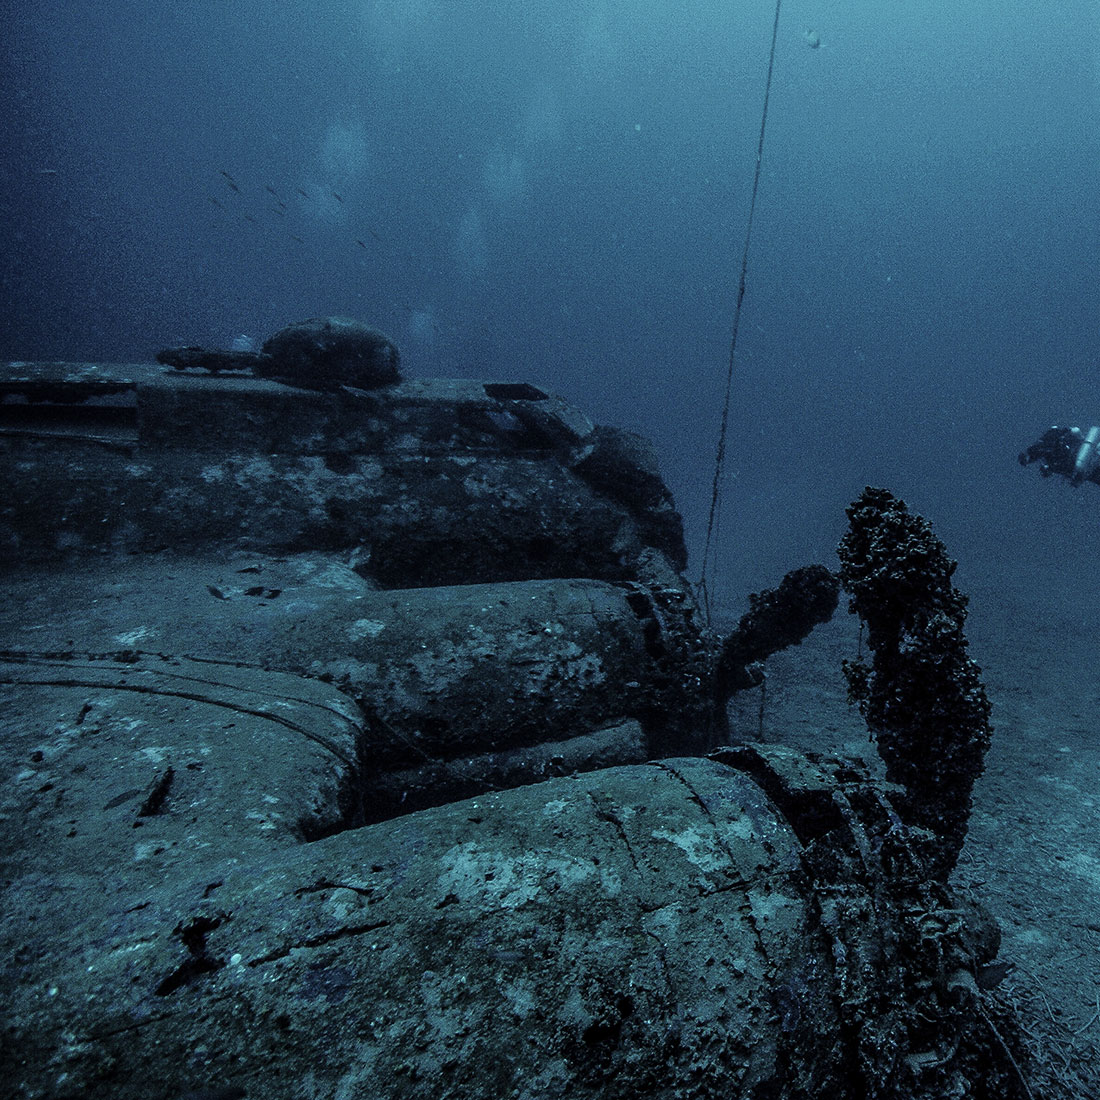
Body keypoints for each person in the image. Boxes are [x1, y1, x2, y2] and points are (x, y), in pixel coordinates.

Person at [1019, 425, 1100, 486]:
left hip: (1086, 465)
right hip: (1088, 458)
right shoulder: (1058, 439)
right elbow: (1076, 432)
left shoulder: (1048, 453)